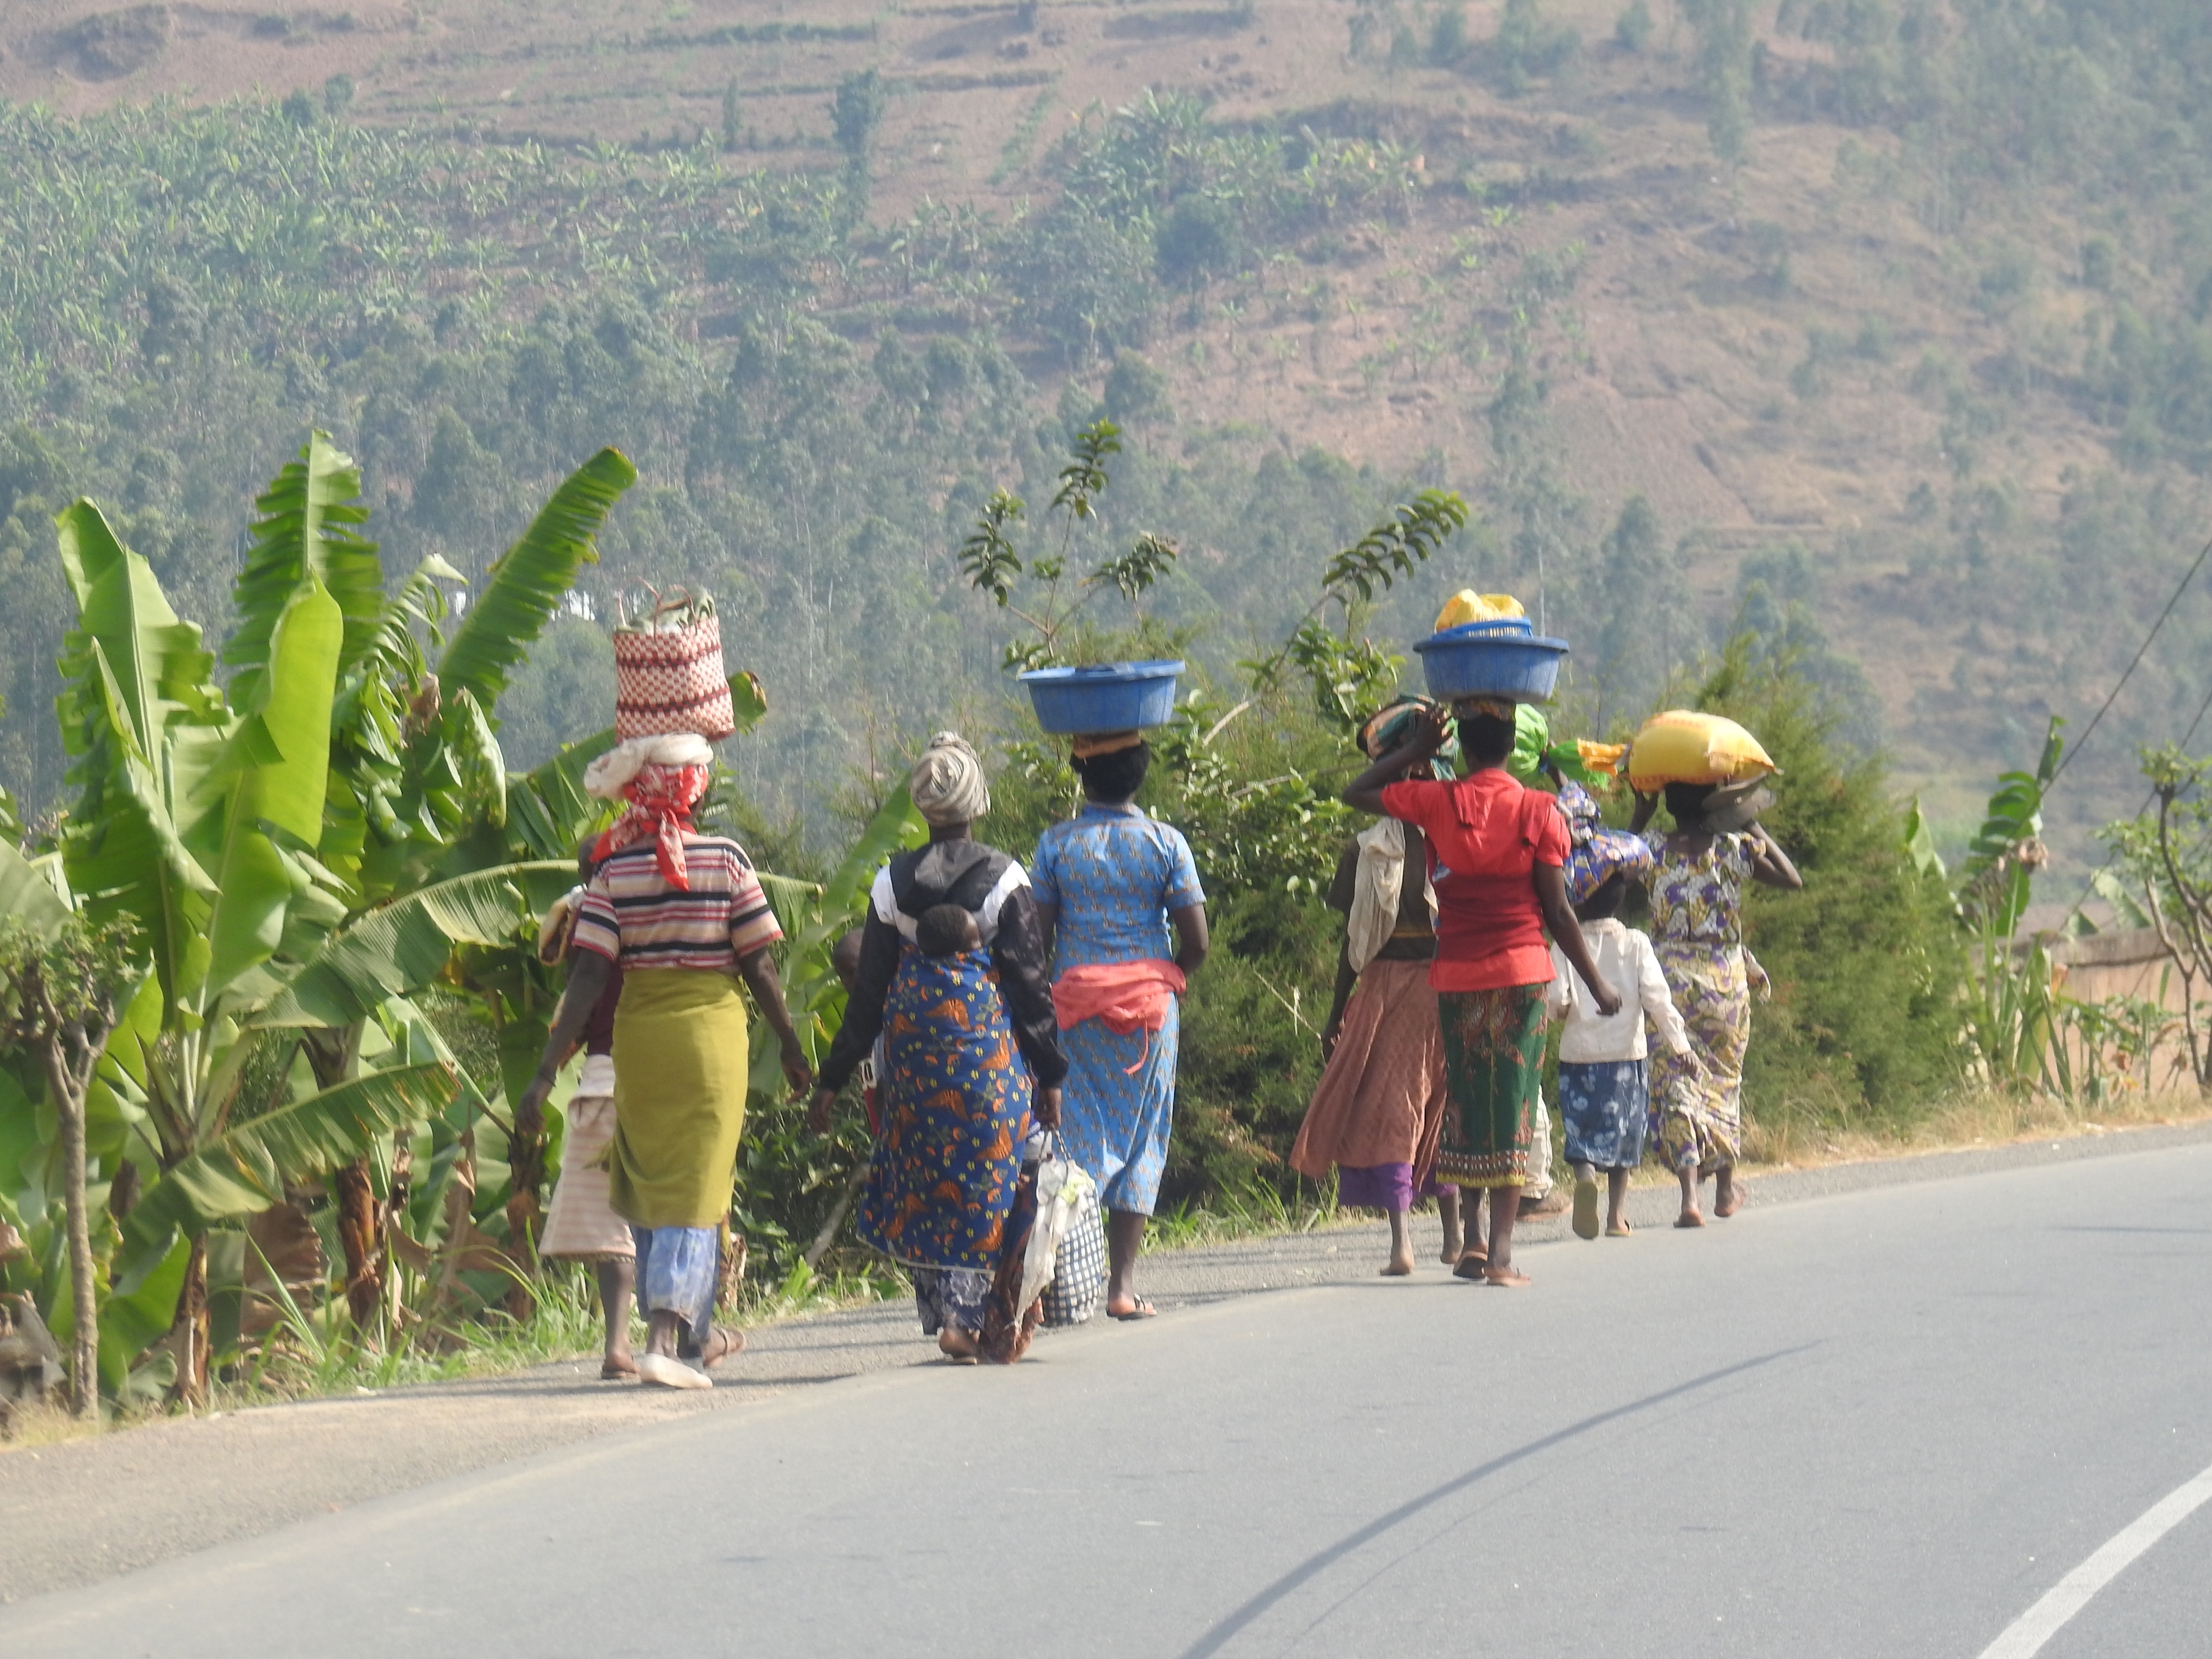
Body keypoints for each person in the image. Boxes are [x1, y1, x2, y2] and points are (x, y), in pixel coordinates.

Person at [517, 733, 812, 1391]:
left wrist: (544, 1071)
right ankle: (662, 1333)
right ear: (693, 790)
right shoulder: (728, 861)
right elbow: (759, 964)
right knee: (698, 1182)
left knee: (651, 1180)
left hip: (639, 1041)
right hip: (710, 1038)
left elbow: (588, 979)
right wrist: (791, 1046)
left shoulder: (615, 872)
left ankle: (679, 1336)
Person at [1344, 699, 1620, 1287]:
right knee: (1513, 1105)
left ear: (1461, 750)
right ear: (1510, 750)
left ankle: (1469, 1239)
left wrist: (1413, 754)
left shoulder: (1439, 802)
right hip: (1522, 975)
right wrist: (1596, 982)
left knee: (1465, 1103)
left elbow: (1357, 793)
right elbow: (1559, 912)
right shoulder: (1541, 810)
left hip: (1458, 976)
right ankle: (1500, 1254)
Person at [812, 733, 1067, 1364]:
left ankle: (950, 1314)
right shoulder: (1004, 878)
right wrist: (1052, 1073)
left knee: (928, 1178)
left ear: (923, 808)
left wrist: (831, 1080)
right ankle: (970, 1316)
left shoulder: (890, 884)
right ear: (978, 801)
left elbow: (867, 996)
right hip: (989, 1060)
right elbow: (1031, 986)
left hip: (912, 1064)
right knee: (990, 1179)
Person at [1033, 731, 1208, 1322]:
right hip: (1151, 1017)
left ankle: (1049, 1279)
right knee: (1142, 1140)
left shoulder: (1056, 845)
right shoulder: (1166, 843)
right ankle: (1121, 1287)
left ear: (1082, 777)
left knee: (1075, 1139)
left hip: (1074, 1010)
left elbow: (1038, 936)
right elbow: (1197, 941)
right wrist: (1164, 979)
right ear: (1141, 774)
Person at [1291, 699, 1464, 1275]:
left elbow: (1353, 941)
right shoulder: (1455, 839)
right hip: (1449, 987)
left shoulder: (1369, 848)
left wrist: (1336, 1011)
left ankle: (1403, 1243)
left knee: (1398, 1110)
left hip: (1391, 990)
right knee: (1442, 1107)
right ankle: (1455, 1233)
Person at [1631, 778, 1802, 1226]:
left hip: (1667, 981)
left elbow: (1611, 867)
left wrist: (1640, 813)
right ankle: (1726, 1189)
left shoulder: (1650, 847)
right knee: (1724, 1081)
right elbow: (1791, 878)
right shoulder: (1733, 848)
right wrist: (1749, 820)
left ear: (1668, 805)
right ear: (1713, 805)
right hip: (1723, 981)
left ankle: (1689, 1197)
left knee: (1675, 1082)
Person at [533, 842, 638, 1380]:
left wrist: (544, 1075)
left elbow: (578, 997)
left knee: (607, 1221)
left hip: (606, 1074)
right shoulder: (662, 908)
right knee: (677, 1213)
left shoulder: (582, 925)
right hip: (666, 1072)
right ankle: (684, 1334)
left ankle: (618, 1343)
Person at [1545, 866, 1694, 1241]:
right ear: (1621, 903)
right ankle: (1616, 1216)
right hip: (1626, 1057)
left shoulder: (1566, 943)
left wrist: (1561, 1014)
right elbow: (1658, 999)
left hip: (1578, 1054)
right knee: (1624, 1136)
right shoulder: (1636, 943)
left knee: (1582, 1130)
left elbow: (1556, 999)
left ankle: (1584, 1180)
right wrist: (1680, 1044)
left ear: (1576, 901)